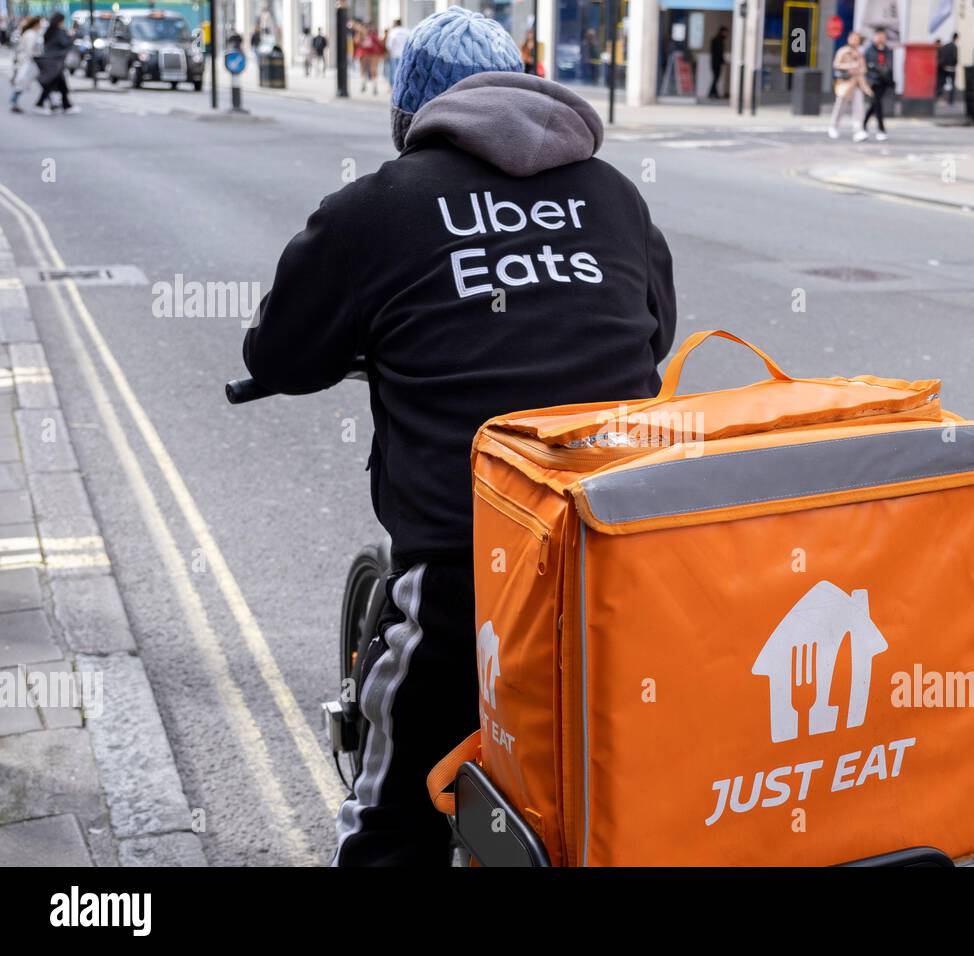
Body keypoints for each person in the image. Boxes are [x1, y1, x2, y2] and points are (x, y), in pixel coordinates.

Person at [242, 7, 676, 866]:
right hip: (619, 561)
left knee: (386, 831)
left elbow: (279, 352)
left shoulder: (375, 209)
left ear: (408, 116)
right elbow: (654, 337)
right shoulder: (618, 195)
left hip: (469, 577)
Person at [828, 31, 869, 140]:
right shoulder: (843, 51)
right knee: (840, 105)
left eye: (857, 39)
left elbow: (864, 68)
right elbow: (836, 65)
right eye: (853, 38)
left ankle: (858, 130)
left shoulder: (860, 54)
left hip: (857, 82)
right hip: (845, 82)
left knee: (859, 107)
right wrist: (850, 66)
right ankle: (833, 126)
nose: (855, 41)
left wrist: (859, 69)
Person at [33, 13, 76, 115]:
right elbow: (66, 43)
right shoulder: (59, 31)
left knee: (61, 85)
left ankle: (66, 105)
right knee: (51, 84)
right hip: (55, 62)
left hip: (50, 61)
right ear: (60, 21)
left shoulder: (49, 30)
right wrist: (72, 36)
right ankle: (40, 104)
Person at [861, 29, 893, 141]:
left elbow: (889, 66)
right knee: (877, 104)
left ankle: (863, 124)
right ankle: (881, 129)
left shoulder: (888, 50)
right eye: (878, 36)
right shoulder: (869, 50)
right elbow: (867, 66)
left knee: (875, 105)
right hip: (872, 81)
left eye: (882, 36)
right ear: (874, 37)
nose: (880, 38)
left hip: (884, 81)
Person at [8, 16, 43, 114]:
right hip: (29, 62)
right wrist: (37, 56)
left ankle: (45, 101)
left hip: (28, 62)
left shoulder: (31, 33)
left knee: (24, 83)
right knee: (23, 83)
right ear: (36, 24)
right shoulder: (31, 34)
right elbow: (30, 49)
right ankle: (14, 101)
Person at [384, 19, 410, 87]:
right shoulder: (407, 31)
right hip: (404, 55)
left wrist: (389, 53)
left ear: (395, 24)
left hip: (394, 55)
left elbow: (389, 45)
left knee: (394, 72)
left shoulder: (393, 32)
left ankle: (394, 87)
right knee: (403, 71)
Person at [937, 33, 958, 106]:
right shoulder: (954, 47)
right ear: (956, 38)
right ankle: (950, 101)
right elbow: (955, 58)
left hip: (944, 68)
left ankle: (937, 97)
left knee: (941, 83)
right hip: (951, 68)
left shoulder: (945, 46)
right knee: (952, 85)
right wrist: (954, 64)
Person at [707, 25, 728, 99]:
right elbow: (718, 52)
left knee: (716, 78)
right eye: (725, 32)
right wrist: (723, 60)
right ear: (722, 32)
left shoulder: (718, 40)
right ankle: (712, 93)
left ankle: (714, 93)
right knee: (716, 78)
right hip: (716, 63)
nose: (726, 34)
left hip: (715, 62)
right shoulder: (717, 40)